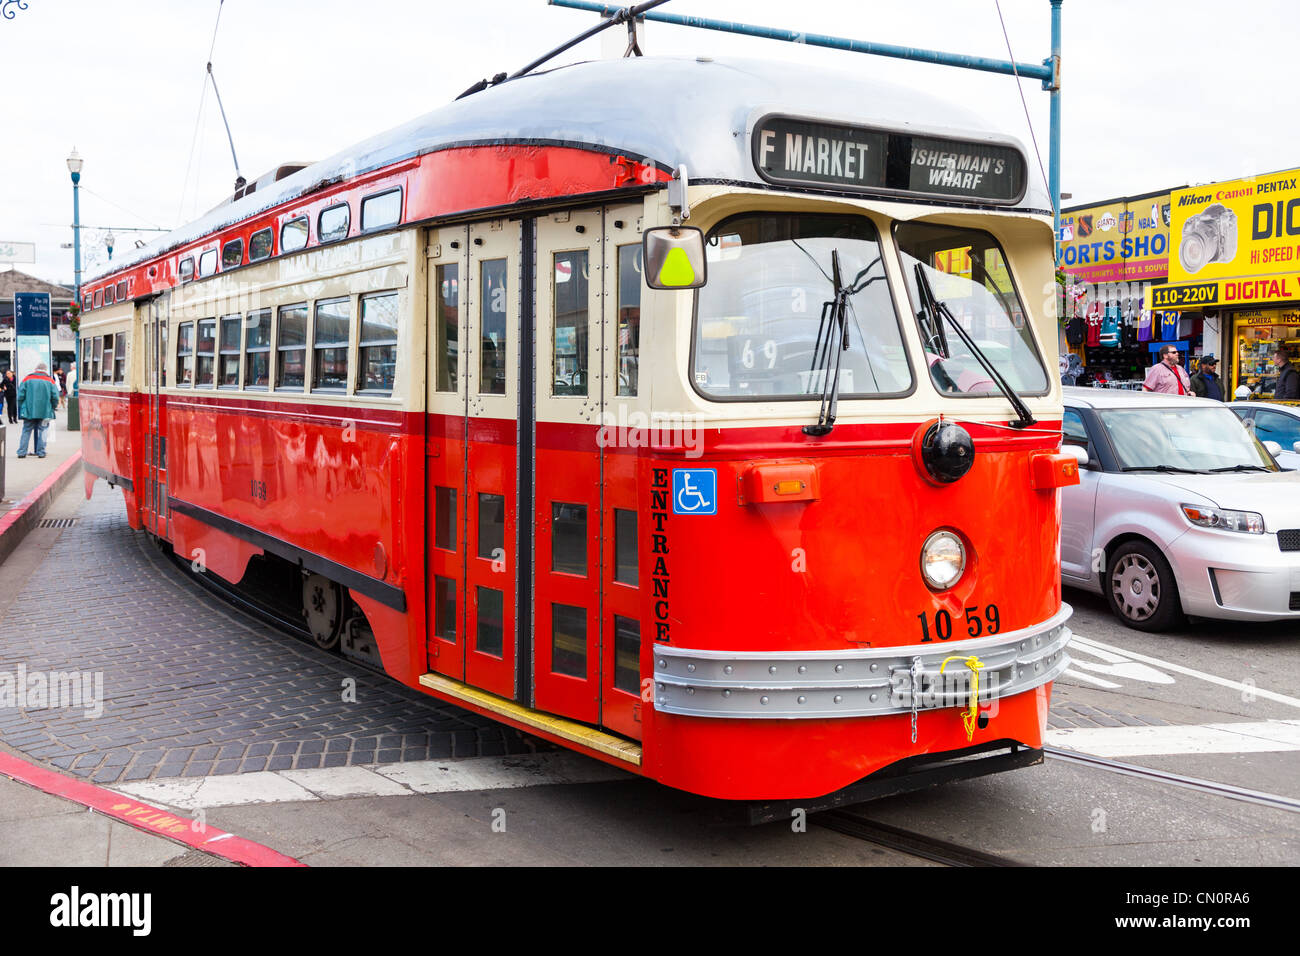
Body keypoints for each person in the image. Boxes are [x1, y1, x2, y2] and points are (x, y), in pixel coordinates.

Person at [16, 362, 60, 459]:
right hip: (45, 411)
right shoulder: (50, 381)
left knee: (26, 430)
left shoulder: (27, 379)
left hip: (29, 411)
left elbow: (20, 396)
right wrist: (53, 406)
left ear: (36, 369)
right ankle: (41, 452)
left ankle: (22, 452)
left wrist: (21, 406)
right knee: (43, 430)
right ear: (45, 370)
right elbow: (55, 397)